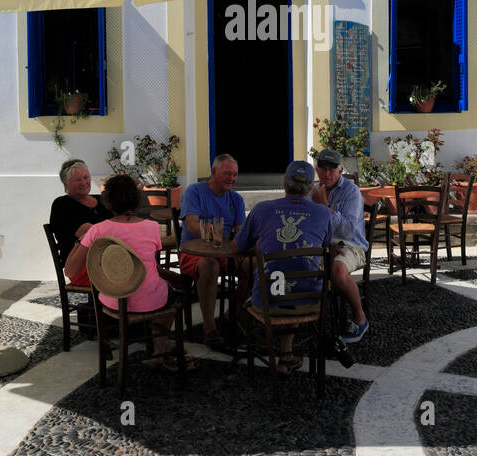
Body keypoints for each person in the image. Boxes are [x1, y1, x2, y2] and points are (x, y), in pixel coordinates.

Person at [64, 173, 184, 369]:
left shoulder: (97, 230)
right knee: (171, 293)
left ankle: (156, 344)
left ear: (108, 202)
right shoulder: (152, 227)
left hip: (112, 301)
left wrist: (80, 241)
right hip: (152, 302)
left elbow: (70, 270)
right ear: (136, 200)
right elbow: (148, 265)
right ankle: (160, 348)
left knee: (162, 289)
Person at [231, 160, 332, 373]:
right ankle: (285, 354)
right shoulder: (324, 214)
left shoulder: (261, 210)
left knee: (273, 281)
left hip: (268, 302)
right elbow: (324, 245)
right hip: (311, 301)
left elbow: (237, 246)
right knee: (294, 278)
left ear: (284, 184)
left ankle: (237, 335)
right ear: (310, 187)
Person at [179, 153, 248, 349]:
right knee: (209, 266)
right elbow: (191, 224)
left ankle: (233, 315)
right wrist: (214, 234)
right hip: (194, 253)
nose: (232, 179)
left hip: (226, 253)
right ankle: (209, 328)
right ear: (213, 172)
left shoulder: (236, 199)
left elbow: (240, 231)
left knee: (254, 266)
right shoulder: (195, 191)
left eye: (235, 175)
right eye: (227, 174)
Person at [311, 147, 370, 343]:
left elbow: (348, 229)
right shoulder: (315, 189)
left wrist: (325, 207)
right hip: (324, 243)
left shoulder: (350, 191)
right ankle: (300, 317)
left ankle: (360, 318)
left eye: (332, 169)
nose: (327, 173)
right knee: (294, 261)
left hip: (351, 244)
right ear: (317, 169)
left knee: (337, 269)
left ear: (340, 170)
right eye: (322, 168)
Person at [49, 159, 109, 287]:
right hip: (80, 266)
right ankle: (116, 306)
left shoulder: (101, 200)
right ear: (65, 184)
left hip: (108, 259)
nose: (84, 182)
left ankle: (121, 306)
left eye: (86, 177)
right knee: (125, 271)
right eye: (78, 180)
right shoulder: (62, 204)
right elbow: (88, 232)